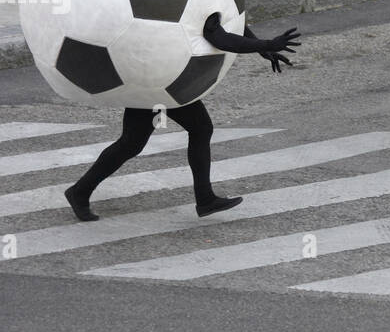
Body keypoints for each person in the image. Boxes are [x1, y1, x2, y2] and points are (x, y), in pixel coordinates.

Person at [64, 15, 300, 222]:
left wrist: (261, 48)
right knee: (198, 129)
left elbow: (229, 18)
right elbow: (219, 36)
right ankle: (205, 198)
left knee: (132, 142)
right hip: (161, 75)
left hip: (149, 68)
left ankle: (80, 191)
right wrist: (267, 44)